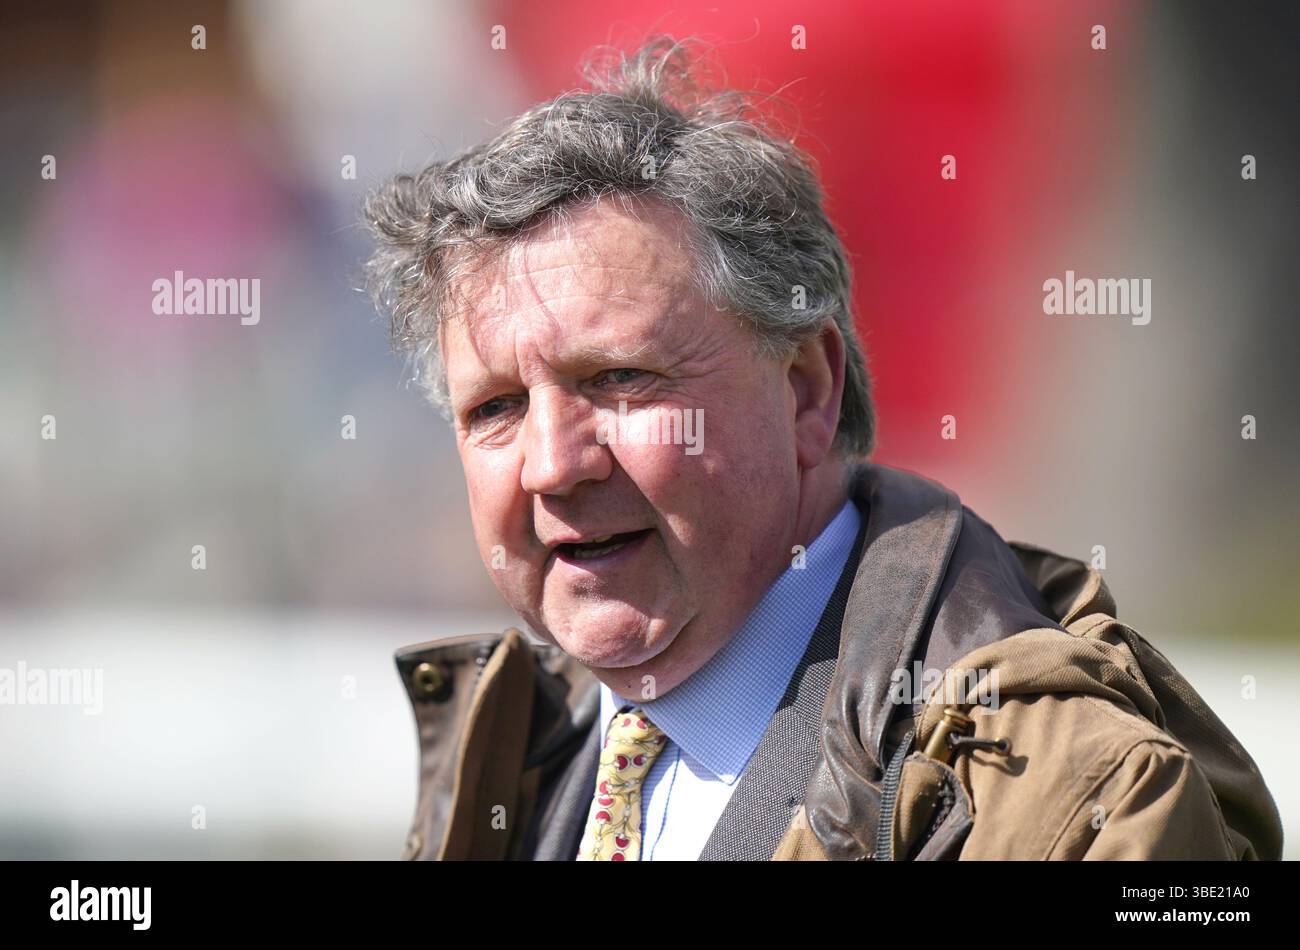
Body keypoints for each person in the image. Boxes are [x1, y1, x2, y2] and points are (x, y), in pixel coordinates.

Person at [362, 37, 1282, 861]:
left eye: (619, 380)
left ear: (806, 386)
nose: (553, 464)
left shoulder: (1065, 801)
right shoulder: (522, 750)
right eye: (496, 408)